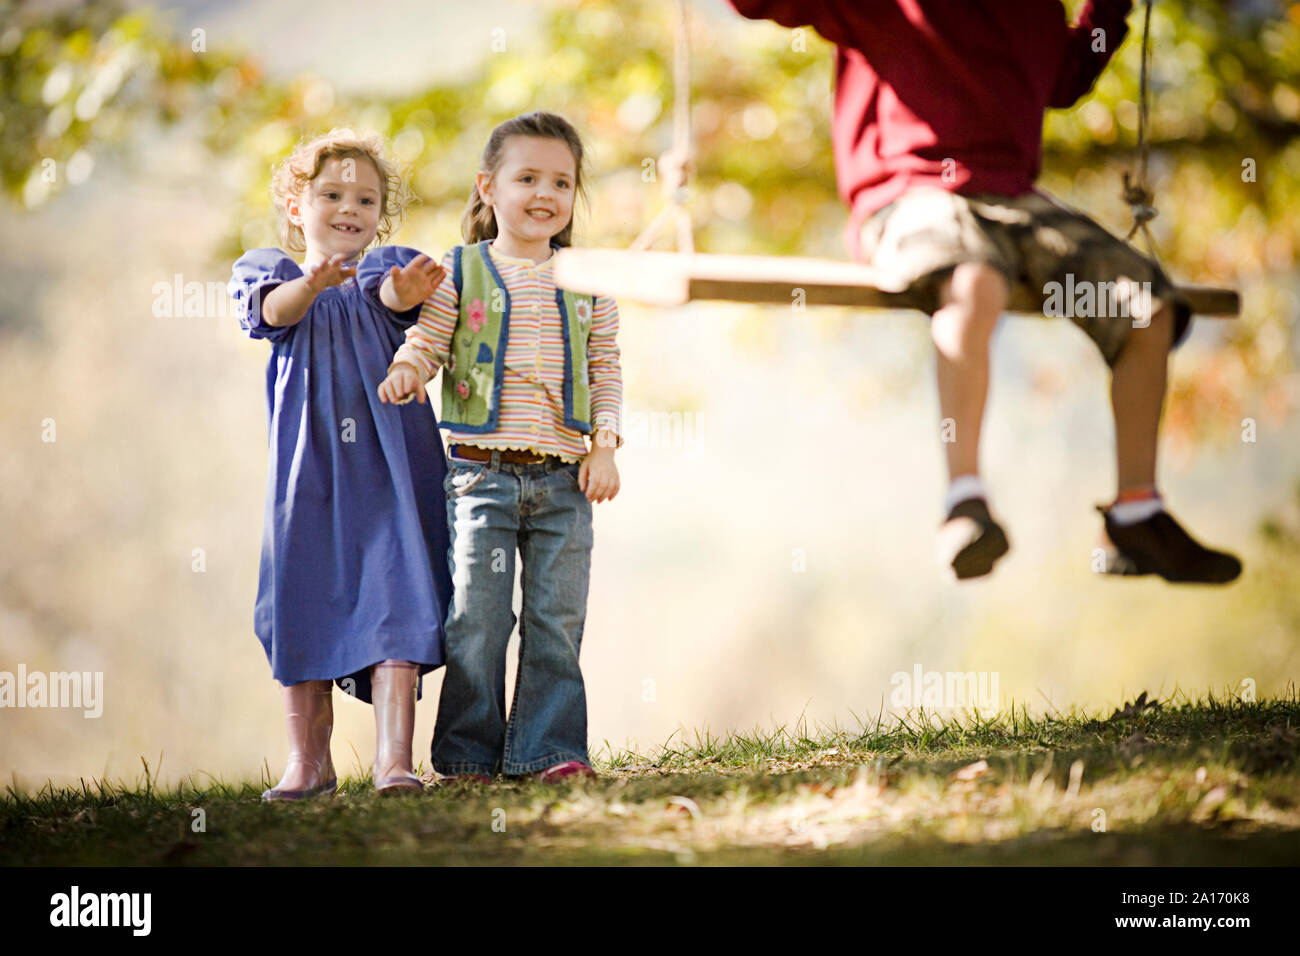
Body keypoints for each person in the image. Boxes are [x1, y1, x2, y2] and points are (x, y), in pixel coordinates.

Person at [727, 0, 1241, 583]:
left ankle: (1137, 510)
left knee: (1145, 303)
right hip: (907, 194)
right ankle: (965, 501)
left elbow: (1066, 78)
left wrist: (1110, 9)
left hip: (1014, 200)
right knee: (973, 282)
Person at [377, 111, 623, 783]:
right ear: (489, 187)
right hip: (481, 475)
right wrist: (407, 369)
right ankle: (468, 755)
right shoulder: (460, 273)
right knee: (478, 619)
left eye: (562, 182)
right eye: (527, 178)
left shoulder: (588, 282)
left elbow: (606, 370)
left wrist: (604, 447)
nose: (545, 194)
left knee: (556, 621)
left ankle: (549, 751)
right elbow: (427, 341)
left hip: (564, 481)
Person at [229, 129, 454, 799]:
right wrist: (310, 283)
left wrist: (407, 291)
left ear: (380, 215)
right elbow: (273, 312)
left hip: (391, 475)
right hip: (310, 480)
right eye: (331, 194)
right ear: (297, 208)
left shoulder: (385, 267)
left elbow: (393, 299)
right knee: (301, 601)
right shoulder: (270, 271)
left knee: (397, 600)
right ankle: (308, 762)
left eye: (365, 198)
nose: (349, 207)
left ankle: (394, 761)